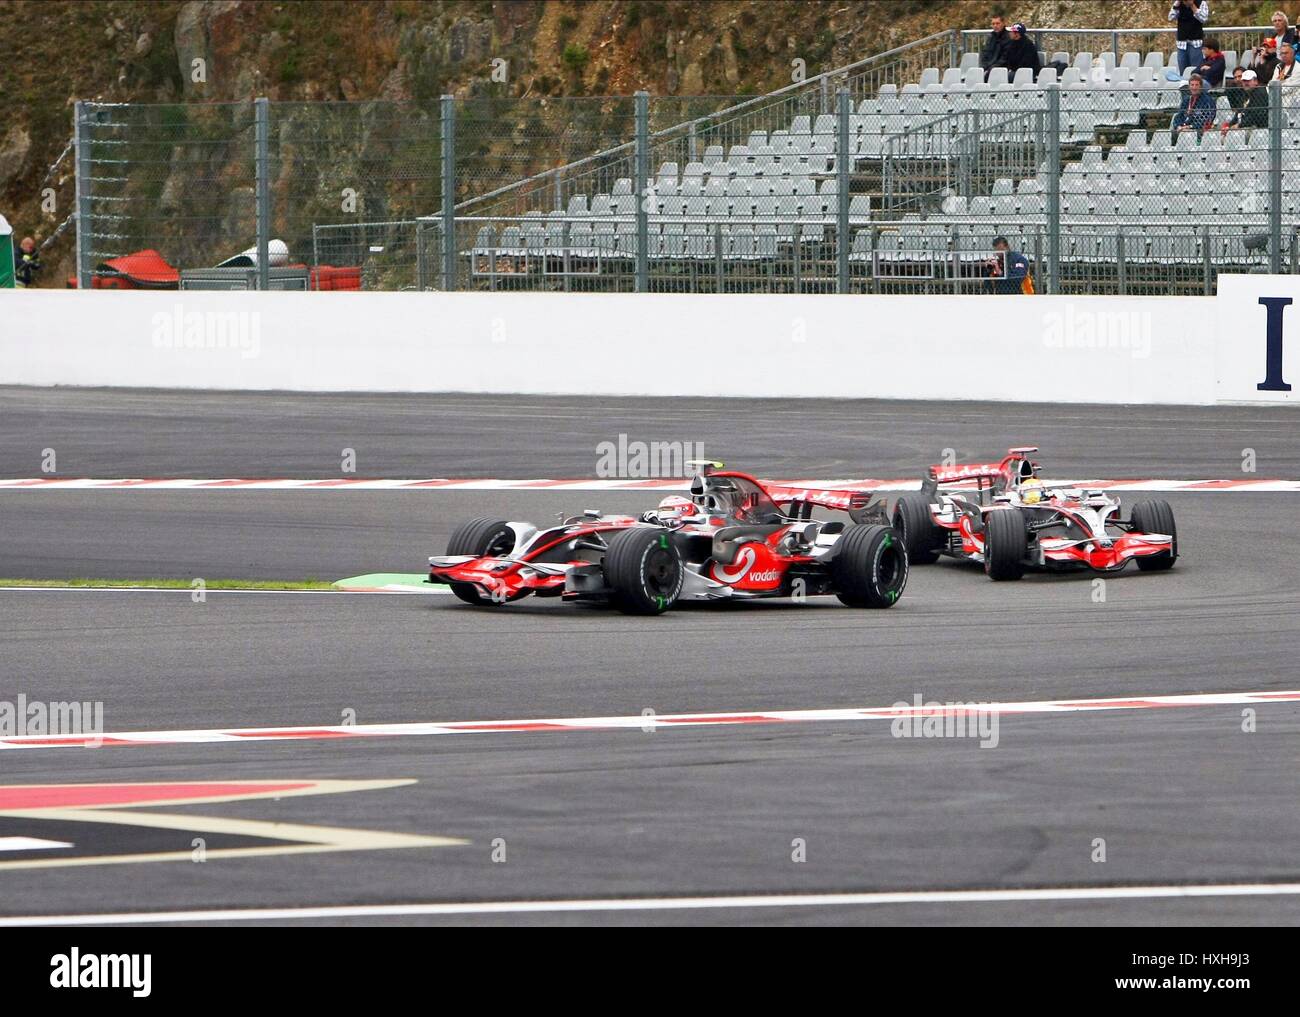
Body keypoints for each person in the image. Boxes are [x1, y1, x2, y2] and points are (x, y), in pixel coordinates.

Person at [1169, 0, 1210, 74]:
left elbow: (1204, 19)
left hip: (1196, 43)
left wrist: (1192, 5)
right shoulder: (1178, 3)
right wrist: (1177, 5)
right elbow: (1170, 18)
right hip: (1182, 44)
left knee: (1196, 71)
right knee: (1183, 72)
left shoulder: (1201, 3)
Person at [1221, 69, 1268, 133]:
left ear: (1255, 81)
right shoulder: (1245, 93)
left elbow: (1255, 116)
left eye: (1248, 80)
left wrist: (1239, 125)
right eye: (1244, 81)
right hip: (1247, 127)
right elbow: (1239, 112)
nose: (1245, 83)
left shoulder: (1260, 93)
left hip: (1260, 128)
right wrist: (1229, 126)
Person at [980, 14, 1011, 79]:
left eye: (997, 23)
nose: (995, 26)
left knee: (988, 75)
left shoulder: (1008, 38)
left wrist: (992, 67)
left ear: (1003, 23)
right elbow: (985, 53)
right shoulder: (991, 37)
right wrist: (984, 65)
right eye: (993, 24)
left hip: (1002, 67)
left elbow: (1005, 57)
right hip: (989, 66)